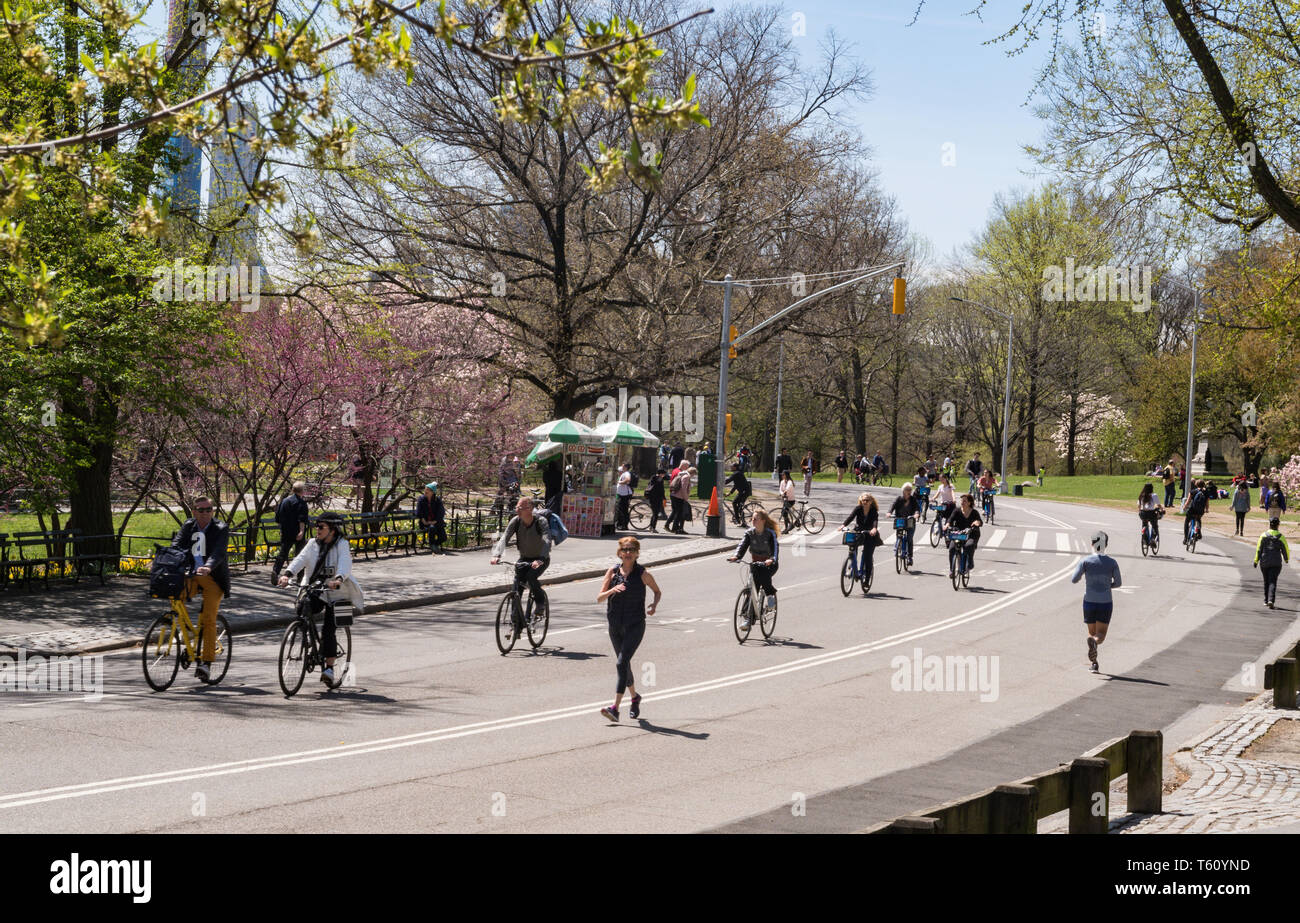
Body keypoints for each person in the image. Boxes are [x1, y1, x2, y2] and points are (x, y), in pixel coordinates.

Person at [278, 511, 363, 686]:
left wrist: (338, 579)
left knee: (329, 628)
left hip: (338, 590)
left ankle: (329, 668)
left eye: (321, 526)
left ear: (332, 530)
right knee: (303, 607)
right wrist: (287, 574)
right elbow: (299, 560)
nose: (317, 529)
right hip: (316, 587)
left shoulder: (341, 544)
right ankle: (306, 635)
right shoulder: (312, 544)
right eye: (316, 526)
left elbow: (345, 563)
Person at [596, 536, 662, 722]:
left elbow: (657, 591)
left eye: (632, 550)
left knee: (621, 663)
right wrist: (612, 590)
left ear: (637, 554)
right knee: (623, 663)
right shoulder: (612, 572)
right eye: (625, 549)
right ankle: (634, 697)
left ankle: (615, 708)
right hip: (615, 624)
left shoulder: (643, 574)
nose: (628, 553)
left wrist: (653, 605)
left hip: (635, 625)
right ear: (619, 553)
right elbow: (599, 598)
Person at [171, 497, 231, 682]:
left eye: (208, 509)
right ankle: (187, 632)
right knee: (174, 593)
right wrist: (165, 561)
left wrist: (209, 566)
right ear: (194, 512)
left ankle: (206, 663)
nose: (205, 513)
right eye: (201, 510)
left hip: (212, 578)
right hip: (191, 576)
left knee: (209, 618)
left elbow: (219, 552)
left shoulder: (220, 528)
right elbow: (177, 546)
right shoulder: (188, 526)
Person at [490, 497, 553, 635]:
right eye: (517, 507)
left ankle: (540, 603)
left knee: (531, 576)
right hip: (524, 558)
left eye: (520, 508)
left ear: (530, 509)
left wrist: (541, 558)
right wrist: (496, 555)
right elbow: (504, 537)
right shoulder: (516, 521)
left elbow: (547, 539)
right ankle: (516, 624)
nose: (517, 510)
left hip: (540, 559)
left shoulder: (540, 521)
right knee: (516, 589)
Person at [1071, 531, 1122, 673]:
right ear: (1106, 544)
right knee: (1101, 635)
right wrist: (1107, 586)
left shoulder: (1085, 561)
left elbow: (1074, 579)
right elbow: (1118, 583)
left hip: (1089, 601)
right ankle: (1094, 647)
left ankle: (1094, 664)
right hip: (1105, 602)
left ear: (1092, 544)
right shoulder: (1112, 562)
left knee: (1092, 632)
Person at [727, 509, 780, 629]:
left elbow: (775, 550)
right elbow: (742, 545)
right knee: (750, 589)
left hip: (769, 564)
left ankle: (770, 595)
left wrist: (771, 559)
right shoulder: (749, 533)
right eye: (752, 518)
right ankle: (747, 619)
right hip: (756, 563)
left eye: (755, 518)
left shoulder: (770, 533)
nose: (753, 520)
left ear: (763, 521)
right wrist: (737, 556)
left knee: (763, 576)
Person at [271, 481, 310, 586]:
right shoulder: (301, 503)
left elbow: (278, 518)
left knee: (283, 553)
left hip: (286, 531)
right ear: (302, 491)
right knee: (300, 555)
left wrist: (282, 529)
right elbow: (302, 519)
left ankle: (275, 571)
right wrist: (301, 531)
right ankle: (300, 578)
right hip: (297, 532)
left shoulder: (284, 501)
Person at [839, 492, 881, 585]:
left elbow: (875, 520)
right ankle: (853, 564)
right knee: (853, 548)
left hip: (870, 534)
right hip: (859, 531)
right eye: (863, 500)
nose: (865, 502)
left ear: (871, 501)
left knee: (867, 556)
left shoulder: (873, 510)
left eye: (867, 500)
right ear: (861, 501)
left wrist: (874, 528)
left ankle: (866, 579)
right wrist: (843, 525)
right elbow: (851, 517)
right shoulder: (858, 508)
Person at [1254, 518, 1290, 609]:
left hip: (1264, 562)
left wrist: (1256, 560)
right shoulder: (1281, 537)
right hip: (1276, 563)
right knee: (1272, 581)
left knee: (1266, 581)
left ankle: (1266, 600)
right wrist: (1286, 559)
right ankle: (1271, 600)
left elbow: (1259, 549)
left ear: (1269, 525)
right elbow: (1285, 549)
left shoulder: (1263, 536)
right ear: (1278, 525)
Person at [945, 494, 984, 574]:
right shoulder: (957, 510)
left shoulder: (974, 512)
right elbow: (950, 519)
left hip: (971, 534)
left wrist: (977, 522)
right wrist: (947, 525)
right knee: (952, 548)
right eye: (961, 500)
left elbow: (980, 522)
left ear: (969, 503)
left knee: (968, 546)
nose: (962, 502)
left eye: (964, 501)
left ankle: (970, 563)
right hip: (959, 534)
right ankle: (951, 570)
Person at [887, 484, 919, 567]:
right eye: (907, 489)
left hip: (910, 521)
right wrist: (889, 512)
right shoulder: (899, 499)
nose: (909, 491)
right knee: (899, 534)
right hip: (900, 520)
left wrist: (916, 514)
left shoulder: (913, 499)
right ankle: (898, 546)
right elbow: (893, 505)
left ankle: (910, 557)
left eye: (910, 490)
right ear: (903, 491)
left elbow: (917, 508)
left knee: (909, 538)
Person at [416, 481, 447, 553]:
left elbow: (441, 512)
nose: (425, 491)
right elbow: (418, 511)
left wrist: (435, 521)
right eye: (425, 489)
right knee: (432, 528)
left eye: (428, 490)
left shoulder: (437, 500)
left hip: (436, 522)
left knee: (444, 538)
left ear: (432, 492)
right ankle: (432, 545)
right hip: (425, 522)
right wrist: (423, 520)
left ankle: (434, 544)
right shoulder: (421, 499)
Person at [667, 464, 692, 534]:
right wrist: (686, 497)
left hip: (674, 494)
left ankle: (671, 526)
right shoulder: (686, 477)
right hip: (679, 496)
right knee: (679, 513)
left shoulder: (681, 474)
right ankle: (675, 528)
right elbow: (683, 488)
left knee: (676, 511)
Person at [1183, 478, 1208, 546]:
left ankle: (1185, 538)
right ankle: (1199, 531)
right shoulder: (1206, 492)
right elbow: (1207, 503)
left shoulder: (1192, 491)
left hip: (1192, 510)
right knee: (1198, 519)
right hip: (1200, 511)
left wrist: (1184, 507)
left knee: (1187, 521)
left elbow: (1188, 501)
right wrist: (1207, 509)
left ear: (1196, 485)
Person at [645, 467, 667, 533]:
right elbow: (661, 490)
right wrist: (664, 497)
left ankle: (651, 527)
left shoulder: (654, 478)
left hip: (653, 498)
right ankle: (653, 528)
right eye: (663, 474)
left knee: (655, 513)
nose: (664, 475)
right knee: (655, 514)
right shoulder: (658, 479)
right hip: (656, 498)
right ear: (660, 474)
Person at [615, 463, 633, 530]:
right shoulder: (624, 473)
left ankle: (623, 525)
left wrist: (620, 482)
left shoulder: (627, 473)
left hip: (624, 495)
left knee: (622, 510)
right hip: (622, 494)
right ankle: (622, 525)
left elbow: (628, 480)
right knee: (622, 510)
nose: (622, 467)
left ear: (626, 467)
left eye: (623, 466)